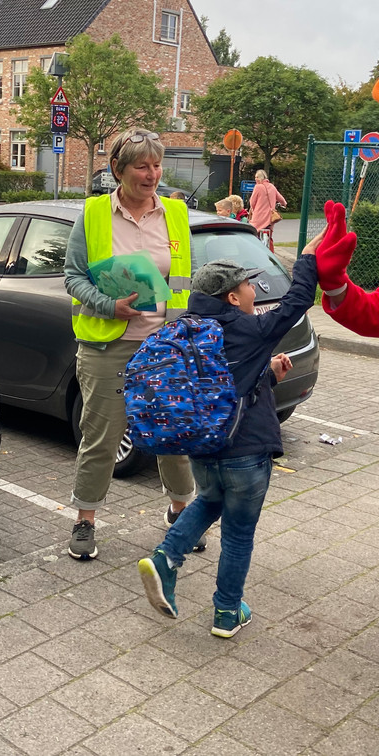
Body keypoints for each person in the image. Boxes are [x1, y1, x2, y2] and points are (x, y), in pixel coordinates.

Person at [137, 248, 320, 638]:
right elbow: (299, 299)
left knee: (209, 500)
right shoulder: (249, 329)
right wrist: (306, 258)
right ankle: (226, 612)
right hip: (246, 453)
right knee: (238, 533)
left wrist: (267, 374)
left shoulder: (186, 330)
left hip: (203, 447)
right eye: (248, 285)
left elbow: (221, 387)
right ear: (233, 298)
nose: (255, 290)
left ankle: (167, 558)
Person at [64, 128, 200, 560]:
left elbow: (183, 280)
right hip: (109, 345)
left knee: (173, 434)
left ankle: (181, 511)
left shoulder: (176, 214)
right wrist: (108, 305)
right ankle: (85, 521)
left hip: (165, 344)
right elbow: (72, 276)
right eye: (142, 166)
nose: (152, 173)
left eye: (157, 164)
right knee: (102, 437)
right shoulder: (93, 213)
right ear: (117, 170)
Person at [248, 169, 286, 250]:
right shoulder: (272, 186)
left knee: (255, 236)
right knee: (269, 238)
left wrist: (254, 210)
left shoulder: (258, 187)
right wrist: (284, 204)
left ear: (261, 178)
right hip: (270, 218)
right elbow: (281, 199)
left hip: (258, 217)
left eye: (257, 177)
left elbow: (252, 201)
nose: (255, 179)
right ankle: (271, 256)